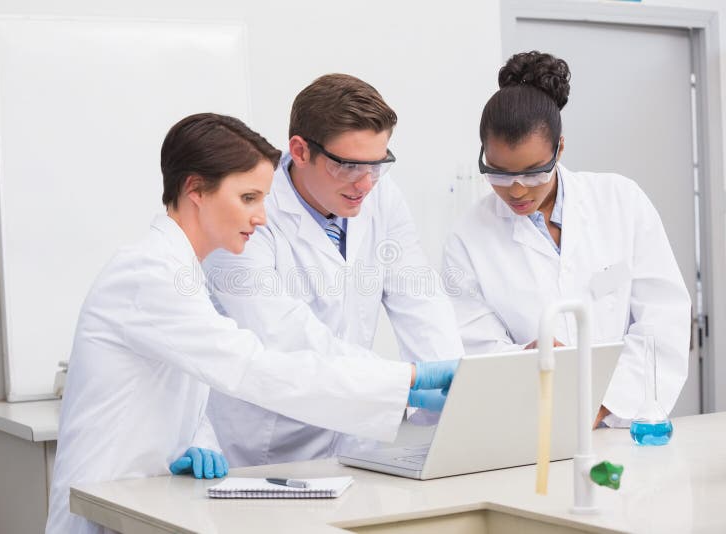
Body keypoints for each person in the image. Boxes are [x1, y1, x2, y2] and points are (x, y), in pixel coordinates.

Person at [45, 113, 457, 534]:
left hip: (143, 502)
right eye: (248, 198)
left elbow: (181, 388)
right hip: (101, 510)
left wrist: (198, 440)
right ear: (195, 190)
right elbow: (253, 367)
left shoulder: (182, 273)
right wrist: (405, 379)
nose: (261, 218)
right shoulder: (149, 273)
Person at [202, 74, 465, 467]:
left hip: (355, 439)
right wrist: (402, 380)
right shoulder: (248, 211)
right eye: (350, 166)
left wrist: (459, 396)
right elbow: (283, 334)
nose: (366, 184)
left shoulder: (381, 196)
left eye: (377, 165)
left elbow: (419, 297)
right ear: (301, 150)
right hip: (266, 445)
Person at [443, 51, 690, 428]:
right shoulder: (468, 237)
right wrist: (527, 358)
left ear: (558, 149)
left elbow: (663, 319)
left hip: (620, 424)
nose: (517, 190)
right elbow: (475, 346)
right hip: (530, 428)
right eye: (499, 173)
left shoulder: (621, 201)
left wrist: (600, 405)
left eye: (533, 172)